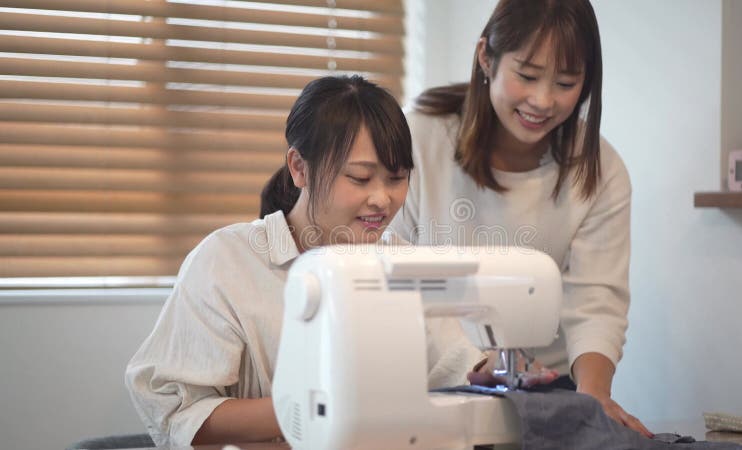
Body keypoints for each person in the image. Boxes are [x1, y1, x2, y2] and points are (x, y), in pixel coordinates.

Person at [126, 76, 476, 447]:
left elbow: (459, 364)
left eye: (397, 178)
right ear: (299, 168)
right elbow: (173, 409)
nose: (382, 199)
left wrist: (496, 372)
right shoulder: (227, 262)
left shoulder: (401, 264)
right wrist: (311, 409)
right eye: (360, 178)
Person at [389, 0, 653, 438]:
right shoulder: (417, 142)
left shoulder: (600, 169)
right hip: (428, 385)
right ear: (486, 58)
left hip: (543, 394)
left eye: (566, 82)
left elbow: (596, 304)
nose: (543, 100)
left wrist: (594, 399)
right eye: (527, 76)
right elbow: (389, 282)